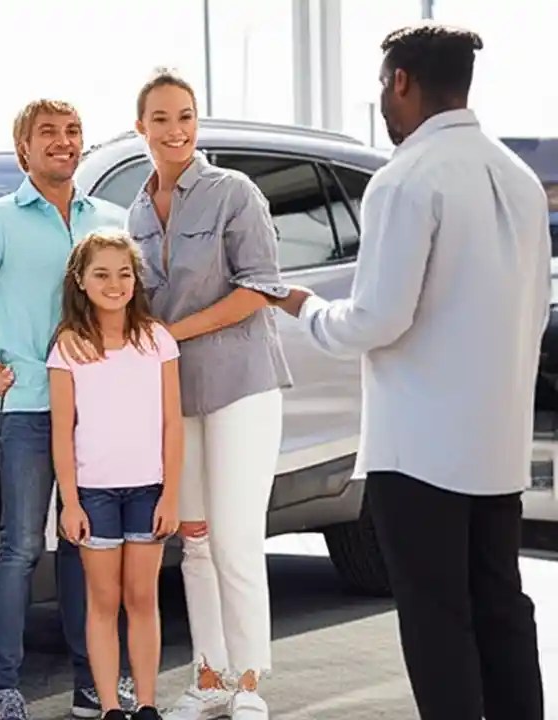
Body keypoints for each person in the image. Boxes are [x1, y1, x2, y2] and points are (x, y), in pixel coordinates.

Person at [272, 24, 548, 720]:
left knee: (435, 619)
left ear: (401, 81)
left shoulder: (404, 179)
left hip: (420, 449)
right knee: (502, 608)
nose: (383, 101)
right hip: (498, 445)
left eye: (382, 85)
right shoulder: (519, 179)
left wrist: (306, 310)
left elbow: (375, 319)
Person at [60, 68, 290, 720]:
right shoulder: (135, 212)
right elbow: (130, 303)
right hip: (176, 396)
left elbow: (260, 288)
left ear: (197, 121)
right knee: (195, 537)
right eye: (160, 119)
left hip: (241, 385)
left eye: (184, 116)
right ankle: (210, 677)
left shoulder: (233, 193)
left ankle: (250, 681)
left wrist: (171, 333)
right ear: (141, 128)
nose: (175, 130)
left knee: (237, 538)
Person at [0, 99, 134, 720]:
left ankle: (92, 684)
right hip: (29, 409)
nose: (63, 141)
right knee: (20, 547)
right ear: (23, 148)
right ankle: (5, 689)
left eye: (72, 131)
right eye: (48, 132)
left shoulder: (109, 219)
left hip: (98, 413)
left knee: (85, 545)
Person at [48, 229, 183, 720]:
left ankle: (146, 703)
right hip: (95, 494)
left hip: (148, 490)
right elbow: (62, 431)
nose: (114, 284)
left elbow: (172, 424)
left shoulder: (157, 340)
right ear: (81, 281)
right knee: (103, 602)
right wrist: (71, 503)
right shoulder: (68, 347)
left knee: (142, 598)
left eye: (124, 274)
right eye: (102, 274)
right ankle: (109, 706)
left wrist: (170, 495)